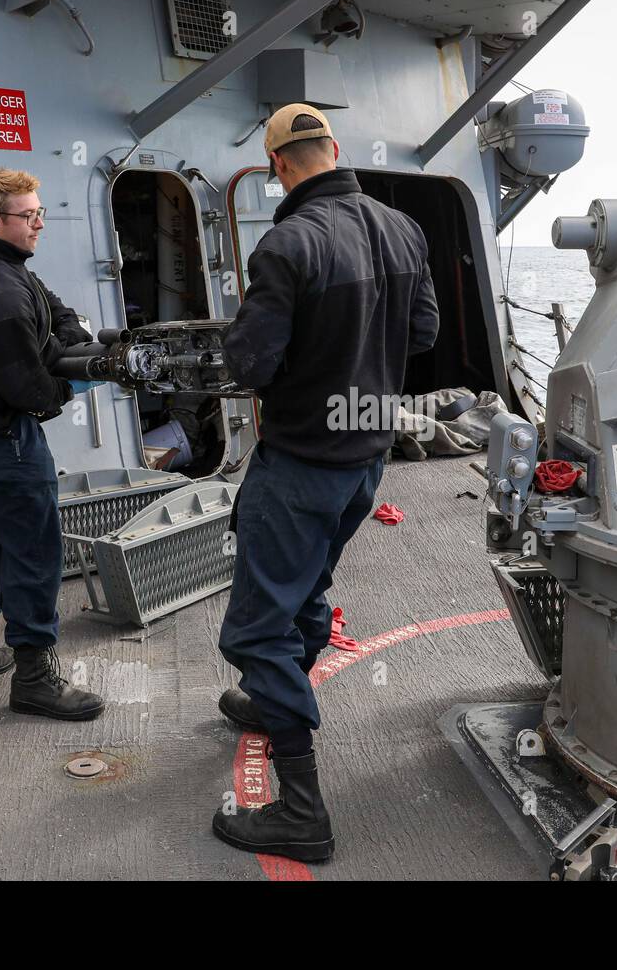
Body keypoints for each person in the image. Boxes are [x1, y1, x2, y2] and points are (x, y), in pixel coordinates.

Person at [212, 104, 440, 860]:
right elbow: (423, 336)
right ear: (333, 149)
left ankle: (301, 811)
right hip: (363, 465)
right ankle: (273, 698)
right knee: (303, 590)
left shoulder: (288, 244)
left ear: (280, 165)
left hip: (301, 464)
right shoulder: (404, 229)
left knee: (253, 627)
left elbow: (249, 365)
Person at [0, 167, 104, 721]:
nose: (39, 225)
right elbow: (27, 388)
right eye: (28, 216)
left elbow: (55, 309)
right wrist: (81, 379)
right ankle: (34, 676)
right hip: (7, 441)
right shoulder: (4, 294)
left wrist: (74, 338)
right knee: (34, 552)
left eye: (40, 213)